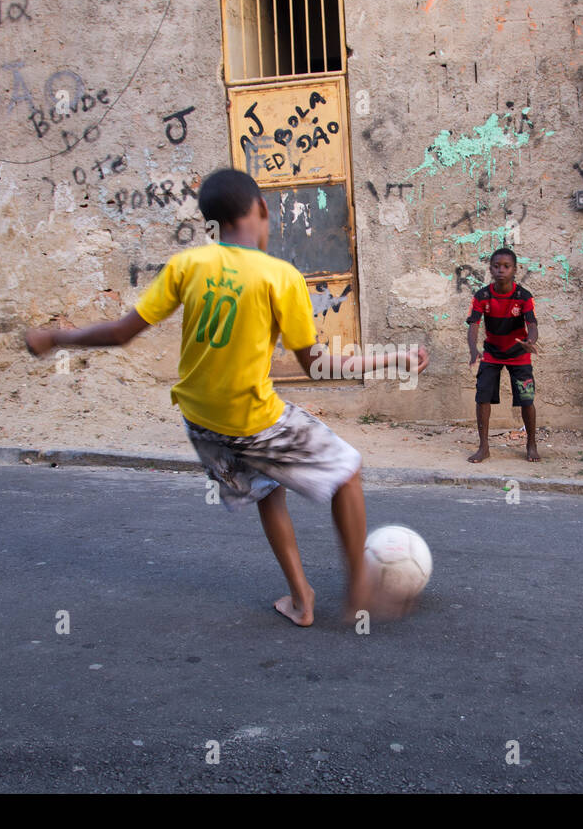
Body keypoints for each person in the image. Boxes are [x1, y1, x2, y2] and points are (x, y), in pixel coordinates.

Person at [24, 168, 428, 627]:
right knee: (348, 471)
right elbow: (319, 365)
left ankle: (301, 600)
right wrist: (391, 359)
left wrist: (57, 337)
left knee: (267, 491)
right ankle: (359, 585)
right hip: (252, 419)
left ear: (211, 223)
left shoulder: (186, 266)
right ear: (260, 210)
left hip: (201, 425)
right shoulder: (280, 276)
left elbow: (120, 333)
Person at [465, 247, 541, 463]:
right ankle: (484, 447)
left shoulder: (523, 296)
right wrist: (473, 350)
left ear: (514, 269)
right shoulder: (482, 296)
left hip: (519, 354)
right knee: (482, 397)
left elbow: (532, 325)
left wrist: (530, 342)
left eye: (506, 266)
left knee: (527, 399)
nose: (501, 270)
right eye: (497, 266)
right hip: (492, 353)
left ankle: (531, 444)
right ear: (490, 269)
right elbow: (473, 326)